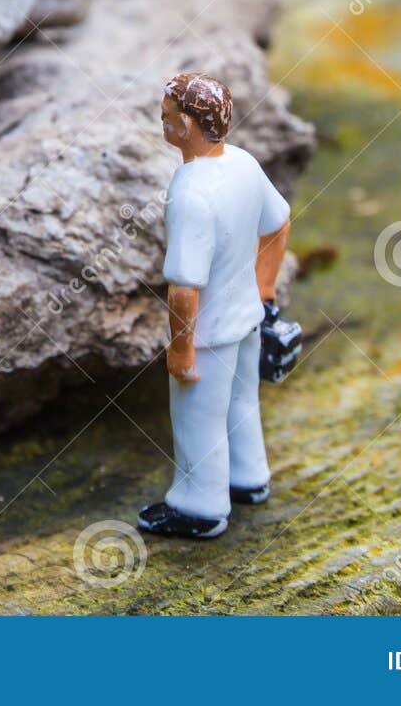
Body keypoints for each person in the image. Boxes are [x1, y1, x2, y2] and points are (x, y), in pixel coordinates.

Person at [138, 72, 291, 540]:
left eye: (166, 116)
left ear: (187, 123)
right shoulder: (243, 163)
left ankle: (200, 506)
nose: (162, 122)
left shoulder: (189, 190)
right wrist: (264, 290)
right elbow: (279, 224)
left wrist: (182, 350)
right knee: (243, 402)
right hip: (246, 318)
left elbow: (185, 289)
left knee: (199, 419)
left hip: (207, 333)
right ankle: (249, 477)